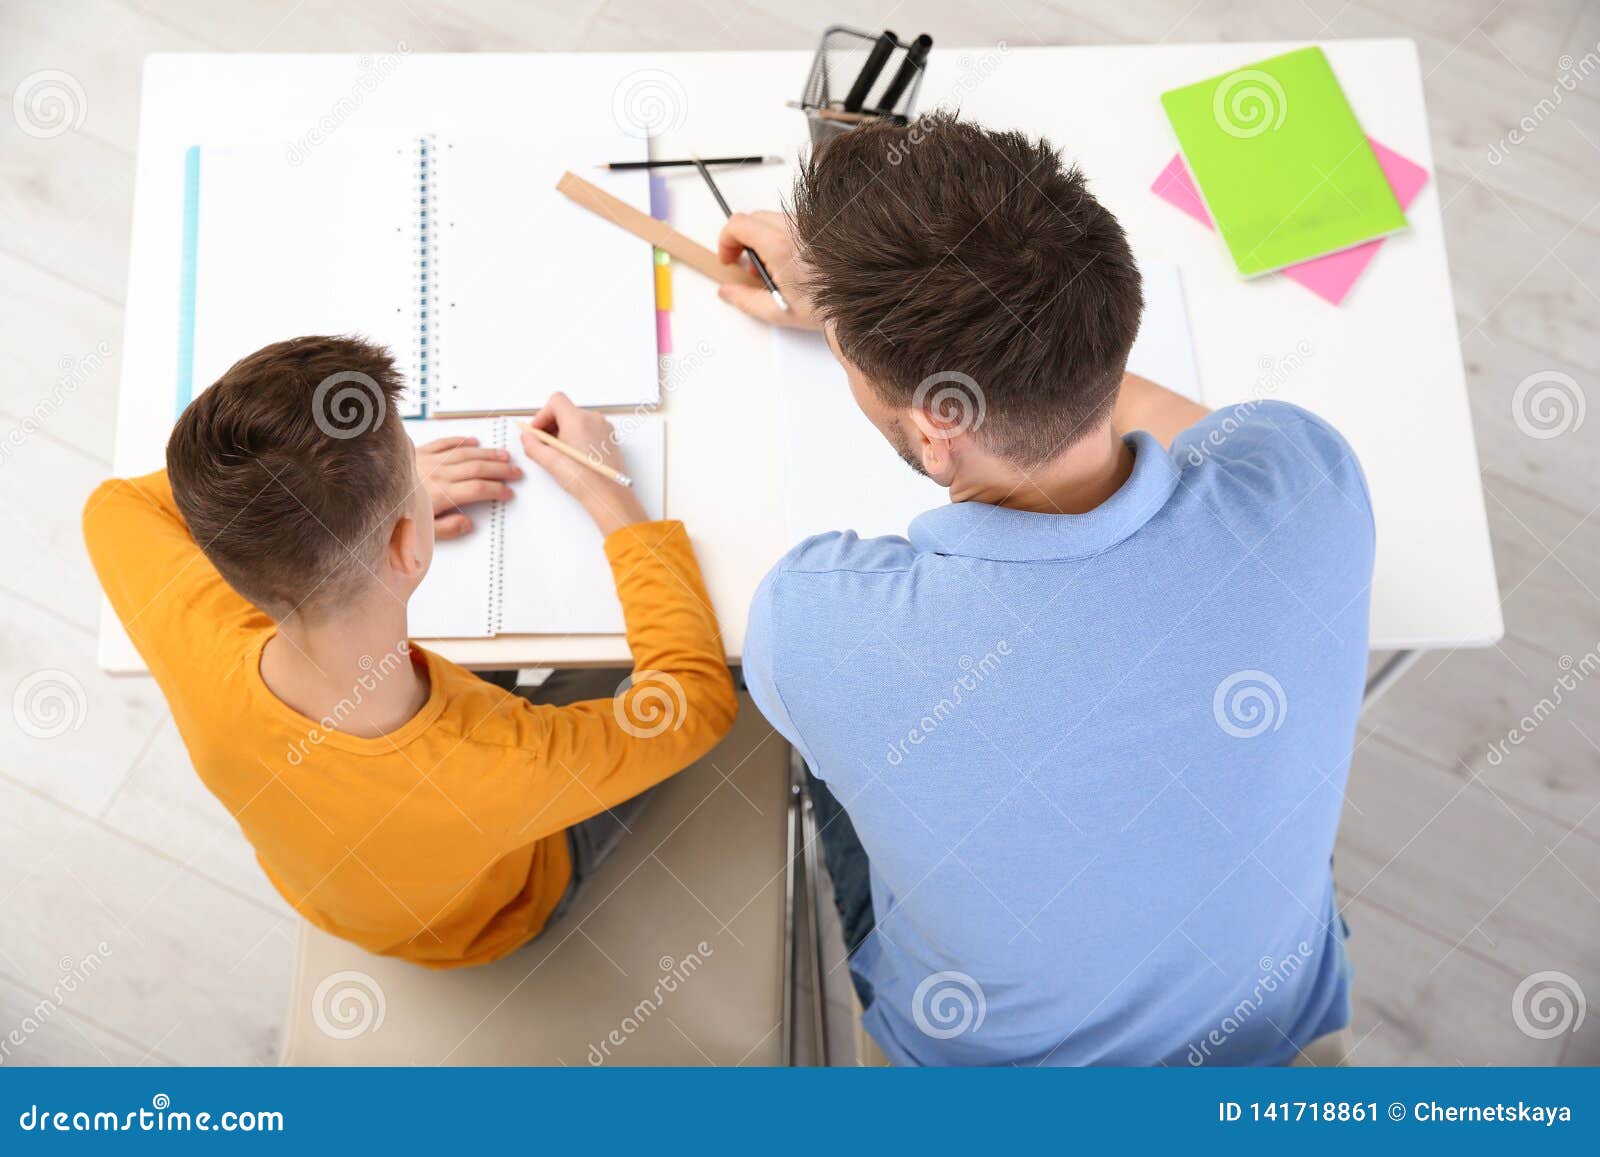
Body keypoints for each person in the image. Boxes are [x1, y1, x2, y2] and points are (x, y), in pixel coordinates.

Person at [724, 114, 1373, 1065]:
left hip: (984, 1078)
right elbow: (1172, 422)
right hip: (1270, 1025)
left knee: (821, 745)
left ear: (937, 429)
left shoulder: (818, 623)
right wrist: (868, 316)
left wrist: (846, 318)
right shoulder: (1306, 478)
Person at [84, 336, 736, 967]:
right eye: (412, 475)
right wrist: (606, 491)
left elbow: (114, 505)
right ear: (405, 544)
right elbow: (697, 700)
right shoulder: (506, 761)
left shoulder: (192, 628)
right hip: (495, 914)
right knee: (688, 652)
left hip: (344, 898)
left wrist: (357, 498)